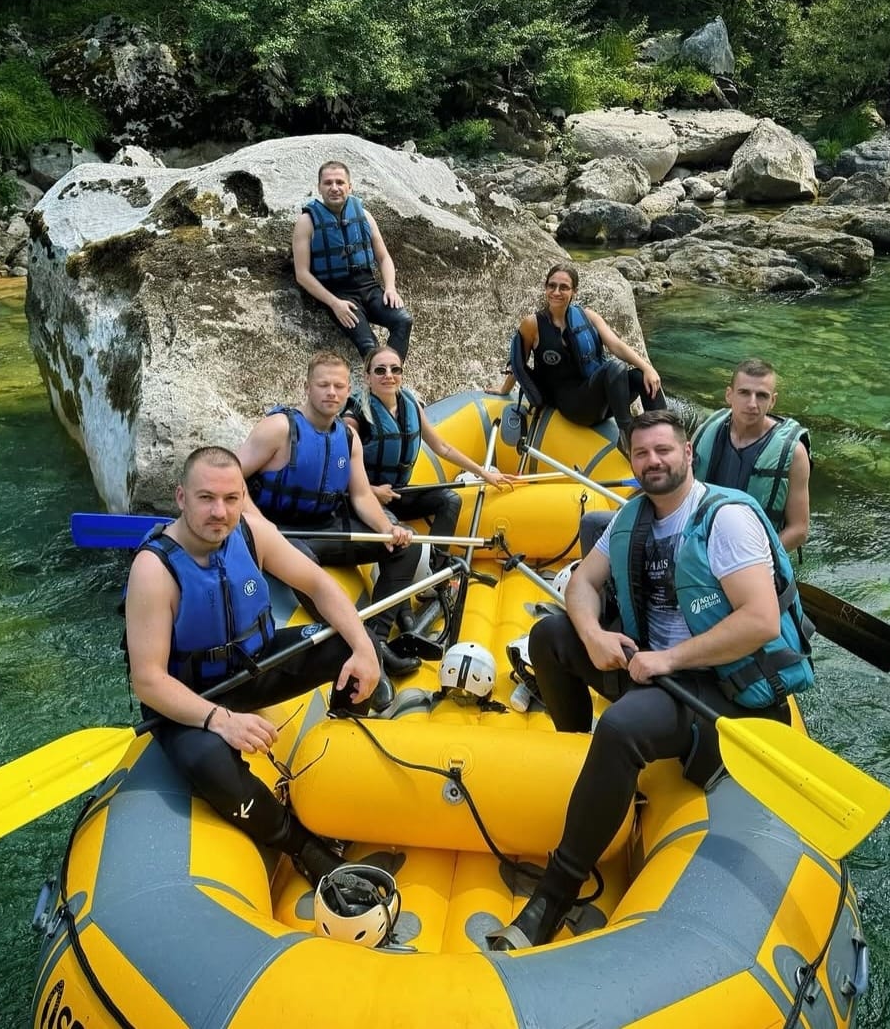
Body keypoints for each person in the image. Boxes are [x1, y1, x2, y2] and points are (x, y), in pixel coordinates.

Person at [490, 410, 814, 950]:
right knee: (551, 636)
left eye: (664, 450)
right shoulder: (633, 516)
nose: (652, 462)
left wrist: (670, 659)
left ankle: (556, 891)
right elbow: (584, 584)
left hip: (717, 689)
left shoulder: (724, 521)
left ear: (688, 454)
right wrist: (593, 634)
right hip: (650, 668)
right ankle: (580, 760)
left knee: (620, 727)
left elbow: (758, 621)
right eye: (641, 454)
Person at [123, 446, 384, 887]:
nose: (219, 512)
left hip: (255, 662)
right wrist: (220, 721)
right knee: (212, 763)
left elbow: (318, 584)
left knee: (351, 643)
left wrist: (363, 647)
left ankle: (342, 744)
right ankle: (301, 846)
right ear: (181, 498)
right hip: (192, 696)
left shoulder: (251, 533)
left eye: (232, 498)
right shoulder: (153, 571)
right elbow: (148, 680)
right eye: (206, 498)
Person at [237, 351, 423, 677]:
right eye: (323, 385)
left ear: (348, 389)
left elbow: (363, 496)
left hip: (325, 526)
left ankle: (376, 639)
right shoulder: (278, 428)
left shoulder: (348, 438)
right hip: (280, 531)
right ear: (306, 387)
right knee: (305, 564)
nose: (331, 393)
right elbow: (231, 478)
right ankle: (370, 653)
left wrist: (387, 529)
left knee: (409, 547)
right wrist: (261, 526)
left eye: (339, 386)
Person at [342, 345, 516, 558]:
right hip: (365, 498)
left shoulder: (409, 403)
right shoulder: (355, 415)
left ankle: (436, 569)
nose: (389, 375)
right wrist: (374, 491)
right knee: (403, 542)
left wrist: (485, 473)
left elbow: (442, 447)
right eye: (380, 370)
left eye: (395, 370)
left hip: (398, 493)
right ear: (368, 377)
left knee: (450, 500)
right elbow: (338, 466)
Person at [488, 262, 667, 442]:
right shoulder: (532, 324)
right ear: (546, 288)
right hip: (572, 407)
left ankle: (664, 437)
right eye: (552, 285)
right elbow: (519, 362)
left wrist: (648, 368)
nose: (556, 292)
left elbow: (616, 345)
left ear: (574, 292)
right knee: (615, 367)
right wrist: (504, 389)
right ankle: (627, 438)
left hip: (600, 401)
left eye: (564, 287)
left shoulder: (588, 316)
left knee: (640, 377)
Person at [293, 160, 413, 361]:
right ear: (319, 188)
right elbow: (302, 274)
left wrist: (390, 287)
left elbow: (383, 257)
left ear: (350, 186)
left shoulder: (364, 215)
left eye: (340, 182)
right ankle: (381, 380)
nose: (334, 188)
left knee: (403, 320)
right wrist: (334, 303)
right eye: (328, 183)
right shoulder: (307, 222)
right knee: (369, 346)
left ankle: (390, 376)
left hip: (369, 287)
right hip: (339, 294)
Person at [691, 358, 812, 552]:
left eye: (762, 396)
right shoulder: (706, 432)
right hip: (701, 544)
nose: (752, 403)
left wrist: (752, 561)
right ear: (729, 395)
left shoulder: (795, 453)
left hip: (756, 553)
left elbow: (799, 530)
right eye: (744, 393)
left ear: (772, 401)